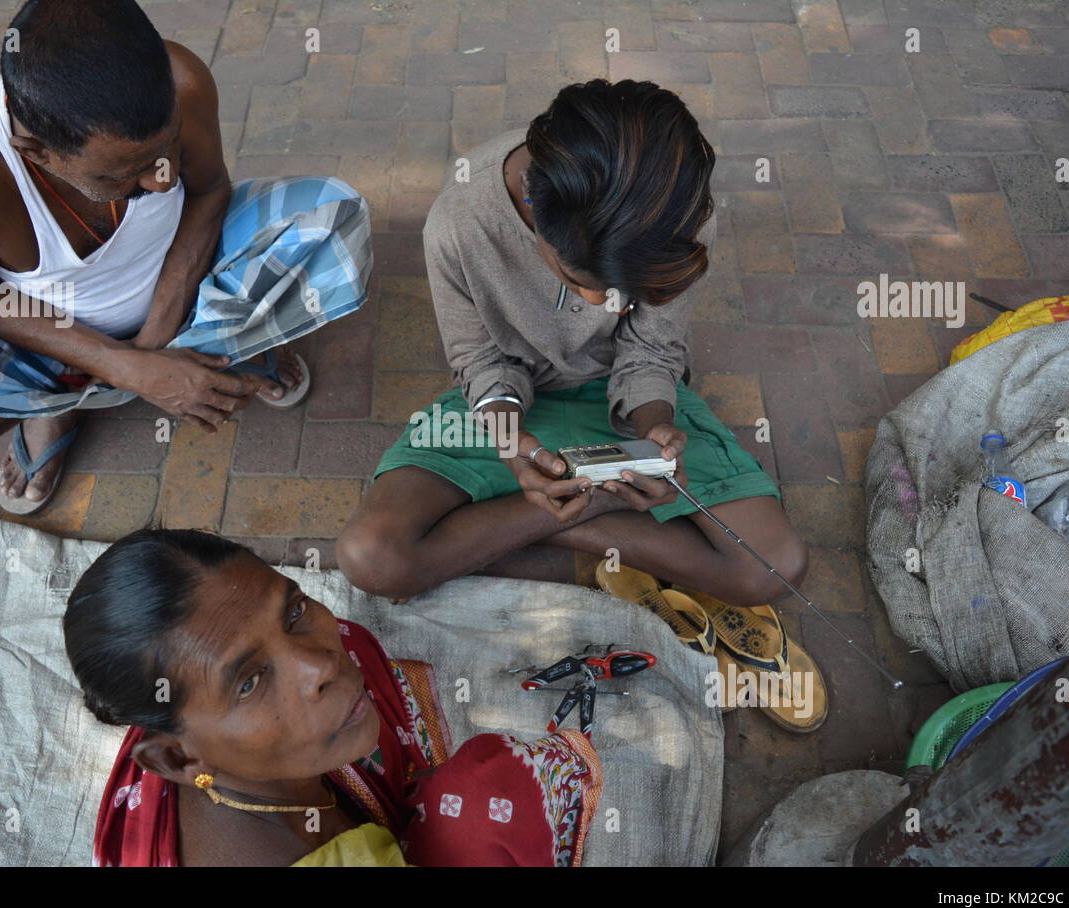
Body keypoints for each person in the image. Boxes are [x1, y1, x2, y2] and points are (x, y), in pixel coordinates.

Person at [0, 0, 370, 515]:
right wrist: (126, 368)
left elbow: (209, 192)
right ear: (37, 152)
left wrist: (150, 346)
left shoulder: (182, 77)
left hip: (192, 282)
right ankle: (61, 402)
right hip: (49, 328)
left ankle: (213, 346)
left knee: (335, 215)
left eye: (165, 149)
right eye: (125, 173)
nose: (163, 179)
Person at [338, 79, 808, 613]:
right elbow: (480, 361)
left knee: (774, 567)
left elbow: (652, 352)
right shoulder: (460, 221)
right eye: (575, 277)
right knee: (371, 557)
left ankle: (541, 515)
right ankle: (572, 503)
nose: (601, 302)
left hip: (621, 404)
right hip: (512, 408)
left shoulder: (677, 221)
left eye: (617, 290)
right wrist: (513, 445)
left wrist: (652, 429)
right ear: (534, 210)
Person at [64, 529, 602, 867]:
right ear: (176, 759)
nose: (321, 663)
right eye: (249, 681)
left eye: (294, 611)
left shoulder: (204, 737)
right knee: (487, 797)